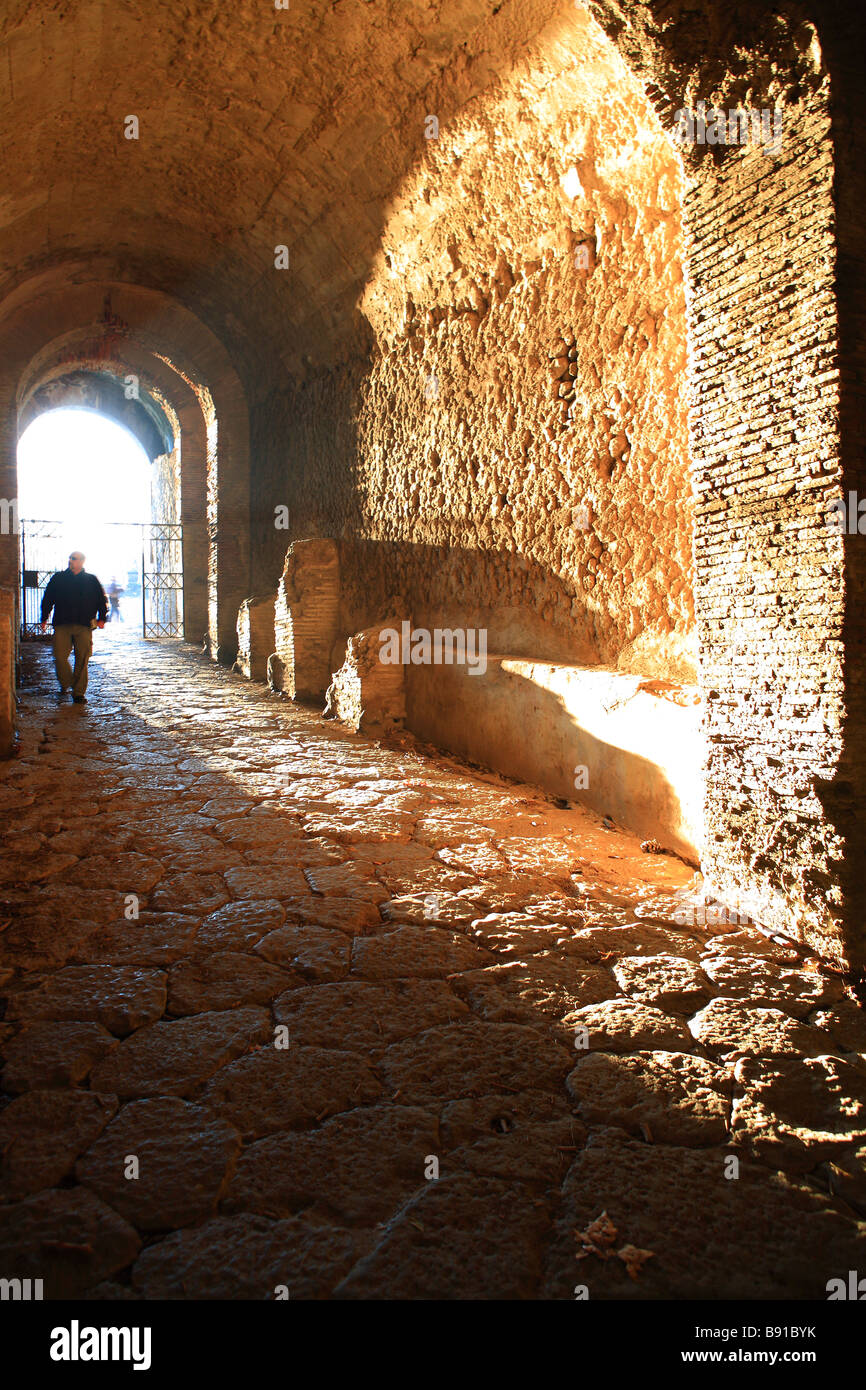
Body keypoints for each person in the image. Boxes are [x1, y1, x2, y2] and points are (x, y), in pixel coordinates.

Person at [40, 551, 108, 703]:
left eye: (74, 558)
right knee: (59, 656)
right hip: (62, 623)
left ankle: (78, 693)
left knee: (82, 658)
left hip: (84, 624)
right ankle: (66, 681)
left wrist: (102, 618)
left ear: (82, 561)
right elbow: (48, 597)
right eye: (70, 558)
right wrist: (44, 617)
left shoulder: (91, 580)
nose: (71, 561)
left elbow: (100, 599)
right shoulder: (58, 578)